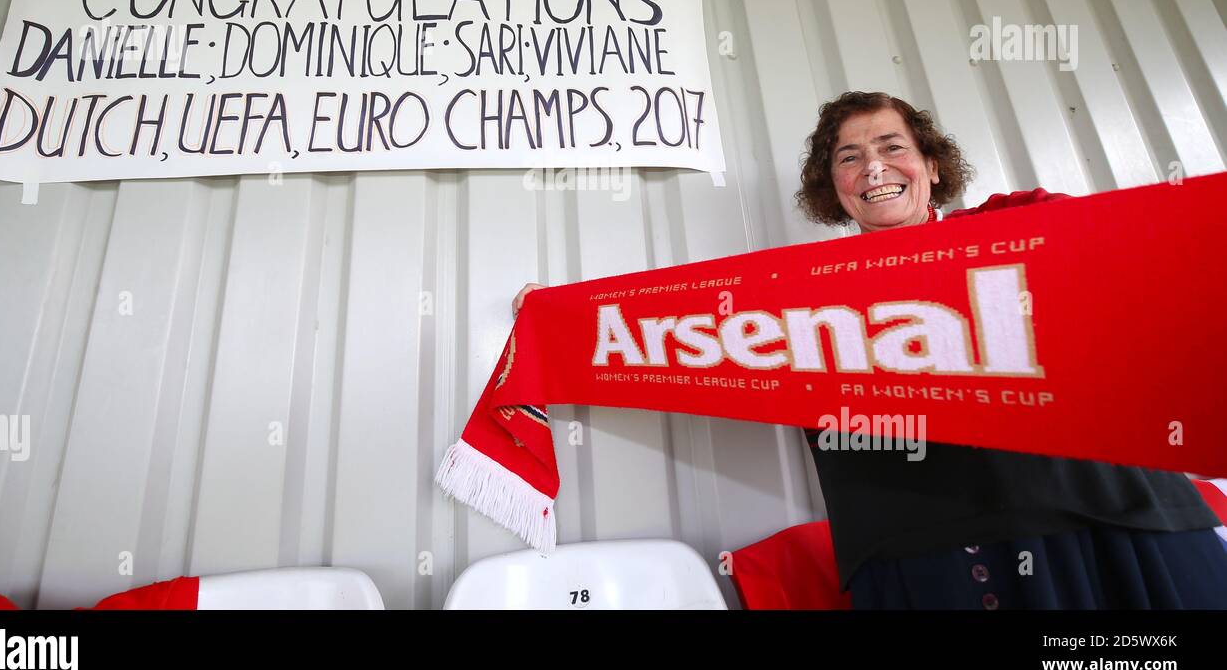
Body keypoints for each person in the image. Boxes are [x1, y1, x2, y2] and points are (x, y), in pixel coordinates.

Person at [514, 90, 1227, 609]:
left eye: (892, 147)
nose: (873, 167)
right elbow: (680, 326)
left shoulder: (1016, 223)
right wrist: (570, 320)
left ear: (932, 167)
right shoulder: (792, 297)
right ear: (836, 190)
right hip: (922, 550)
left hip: (1109, 521)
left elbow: (1129, 252)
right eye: (849, 158)